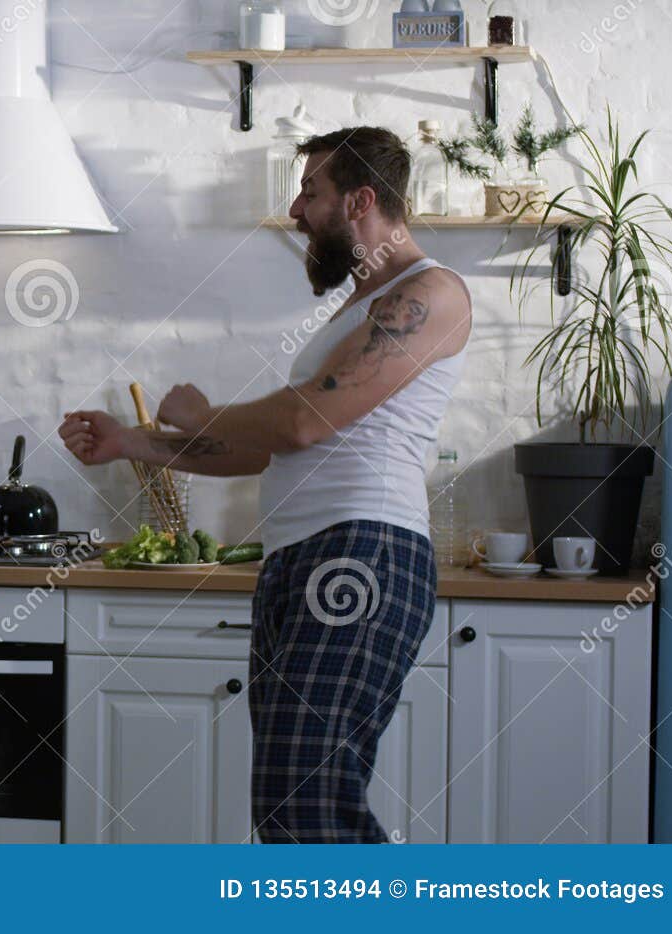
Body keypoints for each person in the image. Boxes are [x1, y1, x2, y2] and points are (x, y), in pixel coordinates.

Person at [58, 127, 472, 842]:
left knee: (305, 803)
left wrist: (204, 414)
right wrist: (131, 442)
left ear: (360, 201)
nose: (296, 210)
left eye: (311, 191)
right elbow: (264, 448)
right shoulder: (357, 311)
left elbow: (305, 421)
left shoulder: (429, 294)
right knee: (291, 804)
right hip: (301, 560)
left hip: (362, 555)